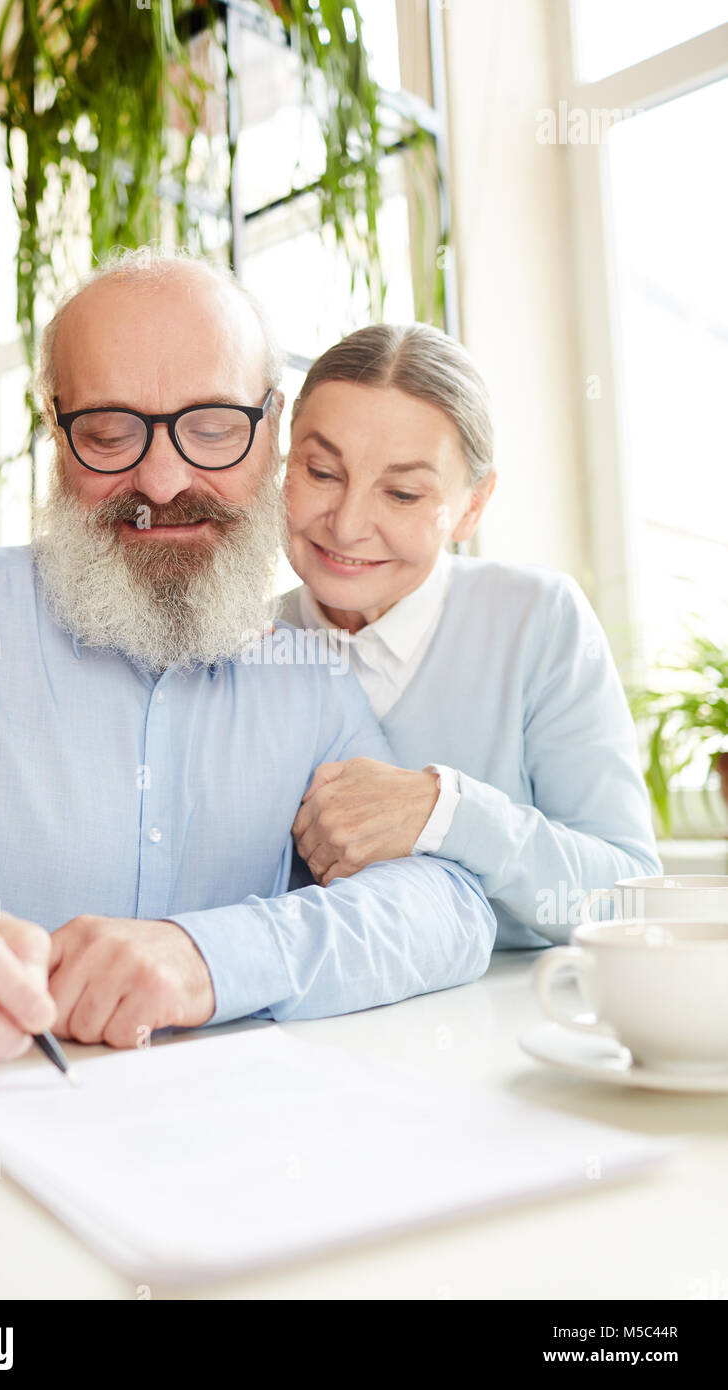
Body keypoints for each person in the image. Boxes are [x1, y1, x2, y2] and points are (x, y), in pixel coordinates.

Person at [0, 252, 494, 1089]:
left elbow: (445, 909)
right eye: (111, 431)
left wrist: (207, 957)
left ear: (273, 432)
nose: (160, 480)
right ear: (57, 436)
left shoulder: (307, 670)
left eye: (213, 427)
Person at [279, 324, 661, 949]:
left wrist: (445, 812)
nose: (347, 525)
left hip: (509, 1023)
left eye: (402, 493)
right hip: (303, 1032)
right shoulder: (240, 644)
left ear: (472, 506)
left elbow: (629, 896)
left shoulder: (537, 620)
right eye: (321, 471)